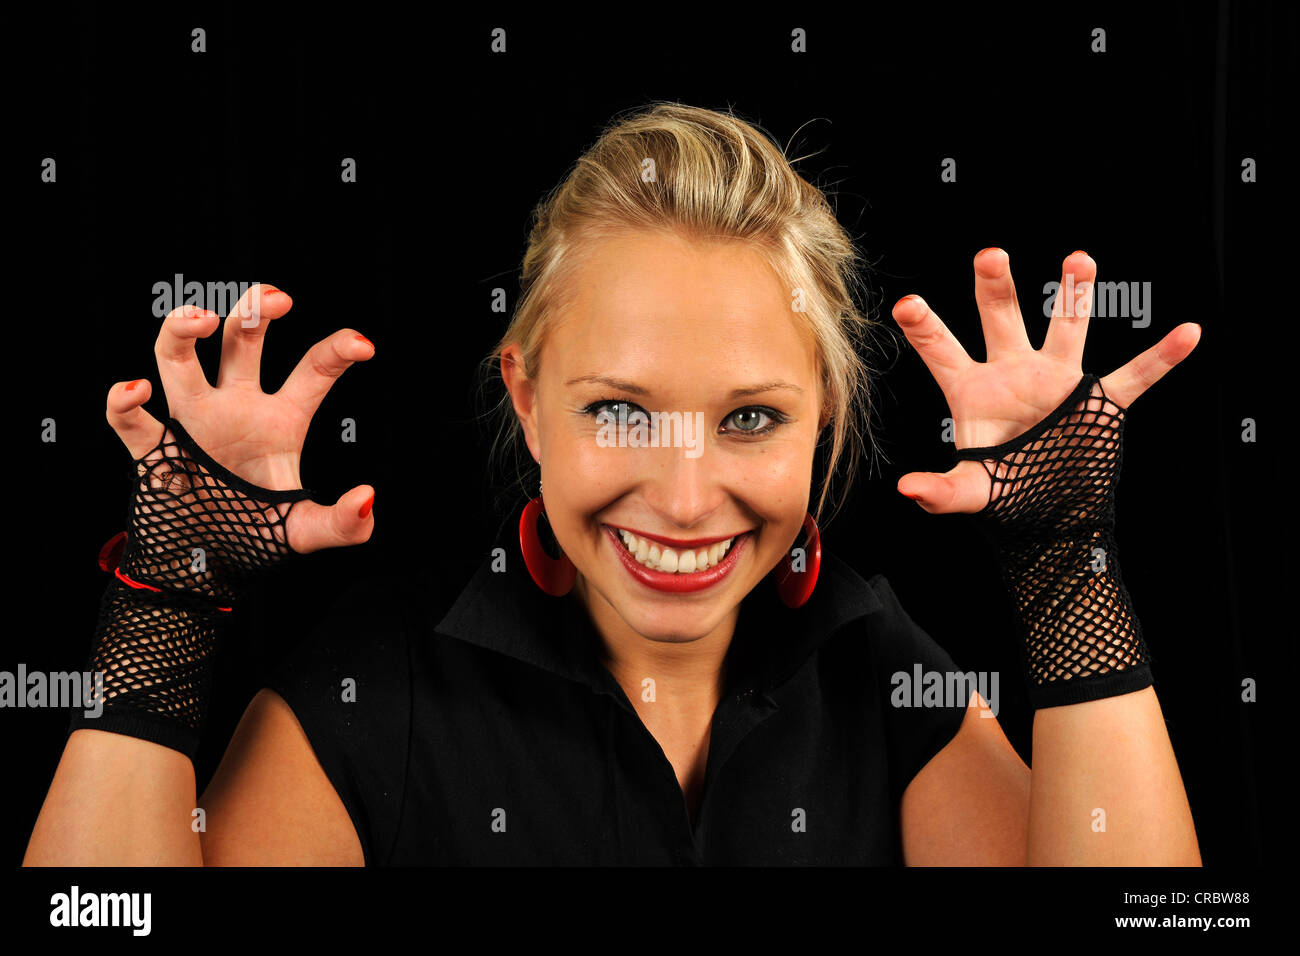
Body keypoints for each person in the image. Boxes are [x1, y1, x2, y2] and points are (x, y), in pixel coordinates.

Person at [24, 103, 1202, 865]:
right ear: (528, 401)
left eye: (749, 418)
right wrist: (165, 604)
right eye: (618, 410)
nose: (685, 499)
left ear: (826, 419)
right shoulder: (367, 700)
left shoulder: (880, 673)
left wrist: (1064, 573)